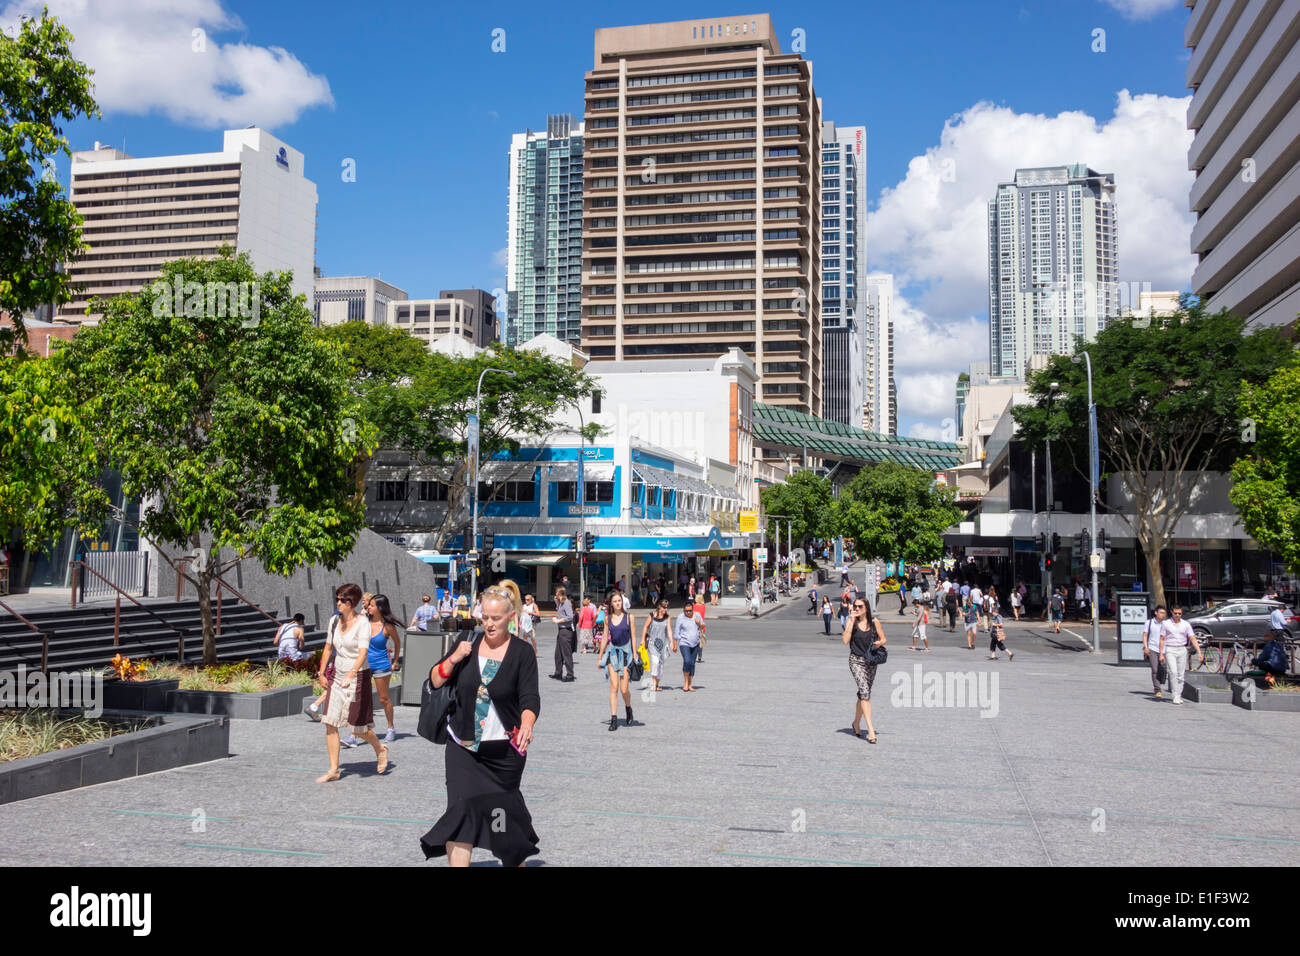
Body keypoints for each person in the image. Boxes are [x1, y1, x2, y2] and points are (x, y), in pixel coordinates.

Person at [421, 584, 539, 868]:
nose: (489, 623)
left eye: (495, 618)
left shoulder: (522, 652)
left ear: (511, 616)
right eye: (485, 617)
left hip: (503, 755)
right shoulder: (467, 642)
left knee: (503, 819)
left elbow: (530, 698)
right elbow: (435, 680)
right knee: (460, 811)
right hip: (462, 749)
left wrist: (526, 724)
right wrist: (455, 657)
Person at [316, 584, 388, 782]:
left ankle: (380, 749)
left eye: (342, 600)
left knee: (357, 727)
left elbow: (363, 652)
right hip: (337, 675)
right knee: (330, 722)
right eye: (337, 599)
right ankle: (333, 770)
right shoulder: (333, 621)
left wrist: (352, 672)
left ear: (352, 603)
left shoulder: (362, 622)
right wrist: (321, 673)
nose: (338, 603)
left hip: (357, 676)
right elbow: (328, 648)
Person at [842, 596, 886, 743]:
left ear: (866, 608)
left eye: (860, 606)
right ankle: (871, 731)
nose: (857, 609)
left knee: (863, 695)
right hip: (856, 661)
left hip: (871, 662)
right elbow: (845, 641)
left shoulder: (874, 622)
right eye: (855, 606)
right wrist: (851, 621)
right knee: (865, 693)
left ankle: (855, 723)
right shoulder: (851, 622)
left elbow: (884, 638)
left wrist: (879, 643)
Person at [597, 591, 638, 731]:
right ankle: (613, 719)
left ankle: (628, 708)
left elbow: (633, 636)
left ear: (622, 602)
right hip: (612, 653)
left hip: (626, 653)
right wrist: (600, 656)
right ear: (611, 604)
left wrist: (635, 654)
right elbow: (604, 638)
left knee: (624, 689)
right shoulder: (607, 618)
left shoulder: (629, 618)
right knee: (613, 687)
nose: (617, 603)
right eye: (614, 601)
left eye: (619, 601)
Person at [365, 594, 403, 743]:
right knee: (361, 699)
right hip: (364, 665)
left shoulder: (387, 626)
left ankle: (390, 727)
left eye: (372, 605)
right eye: (369, 605)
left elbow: (398, 643)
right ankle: (355, 733)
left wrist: (394, 662)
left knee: (383, 698)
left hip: (381, 665)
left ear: (380, 608)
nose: (368, 607)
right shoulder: (364, 623)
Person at [1158, 605, 1204, 705]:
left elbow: (1192, 638)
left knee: (1181, 674)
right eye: (1175, 613)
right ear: (1171, 612)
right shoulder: (1166, 624)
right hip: (1170, 648)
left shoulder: (1186, 624)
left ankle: (1178, 695)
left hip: (1182, 649)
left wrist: (1199, 652)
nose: (1177, 615)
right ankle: (1175, 695)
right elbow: (1162, 639)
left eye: (1179, 613)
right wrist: (1161, 653)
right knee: (1173, 672)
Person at [642, 598, 673, 692]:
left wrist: (671, 642)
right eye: (664, 607)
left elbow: (669, 630)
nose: (665, 610)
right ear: (659, 606)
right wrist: (643, 640)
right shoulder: (651, 615)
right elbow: (645, 627)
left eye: (667, 608)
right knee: (655, 662)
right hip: (652, 643)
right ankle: (654, 684)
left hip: (663, 644)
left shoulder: (667, 617)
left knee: (661, 666)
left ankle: (657, 684)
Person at [674, 598, 704, 693]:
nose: (688, 612)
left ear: (692, 609)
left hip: (695, 643)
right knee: (687, 661)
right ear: (683, 610)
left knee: (692, 663)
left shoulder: (697, 615)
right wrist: (674, 644)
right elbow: (676, 631)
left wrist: (699, 623)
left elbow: (703, 626)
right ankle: (686, 682)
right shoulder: (680, 617)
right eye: (686, 611)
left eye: (690, 611)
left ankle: (690, 684)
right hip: (684, 643)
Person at [549, 586, 575, 682]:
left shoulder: (566, 603)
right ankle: (558, 673)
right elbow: (561, 612)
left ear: (559, 593)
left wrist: (558, 620)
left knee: (566, 653)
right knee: (558, 653)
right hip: (561, 630)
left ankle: (570, 675)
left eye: (556, 592)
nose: (555, 594)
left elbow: (570, 616)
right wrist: (556, 603)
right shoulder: (561, 603)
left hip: (566, 630)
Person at [1142, 605, 1168, 698]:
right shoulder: (1149, 623)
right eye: (1161, 613)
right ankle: (1157, 689)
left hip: (1164, 649)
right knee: (1155, 669)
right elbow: (1145, 635)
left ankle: (1164, 685)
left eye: (1164, 613)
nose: (1163, 615)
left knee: (1163, 669)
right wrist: (1146, 647)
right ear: (1156, 613)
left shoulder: (1166, 624)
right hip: (1152, 648)